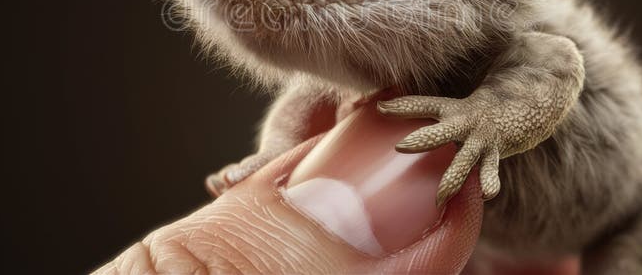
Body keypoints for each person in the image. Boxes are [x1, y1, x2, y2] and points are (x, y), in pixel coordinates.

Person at [94, 100, 579, 274]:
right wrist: (272, 159)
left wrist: (487, 123)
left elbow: (556, 65)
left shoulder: (492, 32)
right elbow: (307, 96)